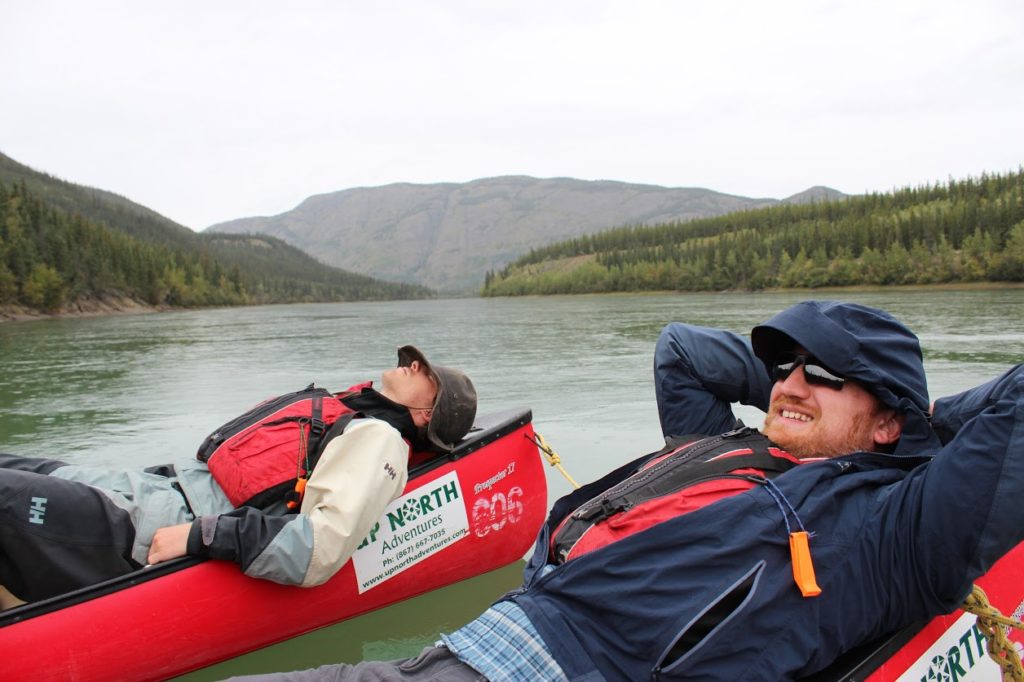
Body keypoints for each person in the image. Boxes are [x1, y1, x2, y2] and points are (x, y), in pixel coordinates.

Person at [228, 301, 1024, 681]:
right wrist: (796, 403)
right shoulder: (727, 449)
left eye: (823, 374)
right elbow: (684, 351)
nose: (790, 383)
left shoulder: (897, 532)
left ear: (886, 420)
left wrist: (919, 423)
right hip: (465, 650)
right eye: (785, 367)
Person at [0, 345, 476, 608]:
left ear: (424, 414)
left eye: (424, 371)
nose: (411, 362)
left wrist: (202, 535)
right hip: (140, 487)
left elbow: (319, 549)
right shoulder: (354, 415)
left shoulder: (380, 439)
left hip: (147, 523)